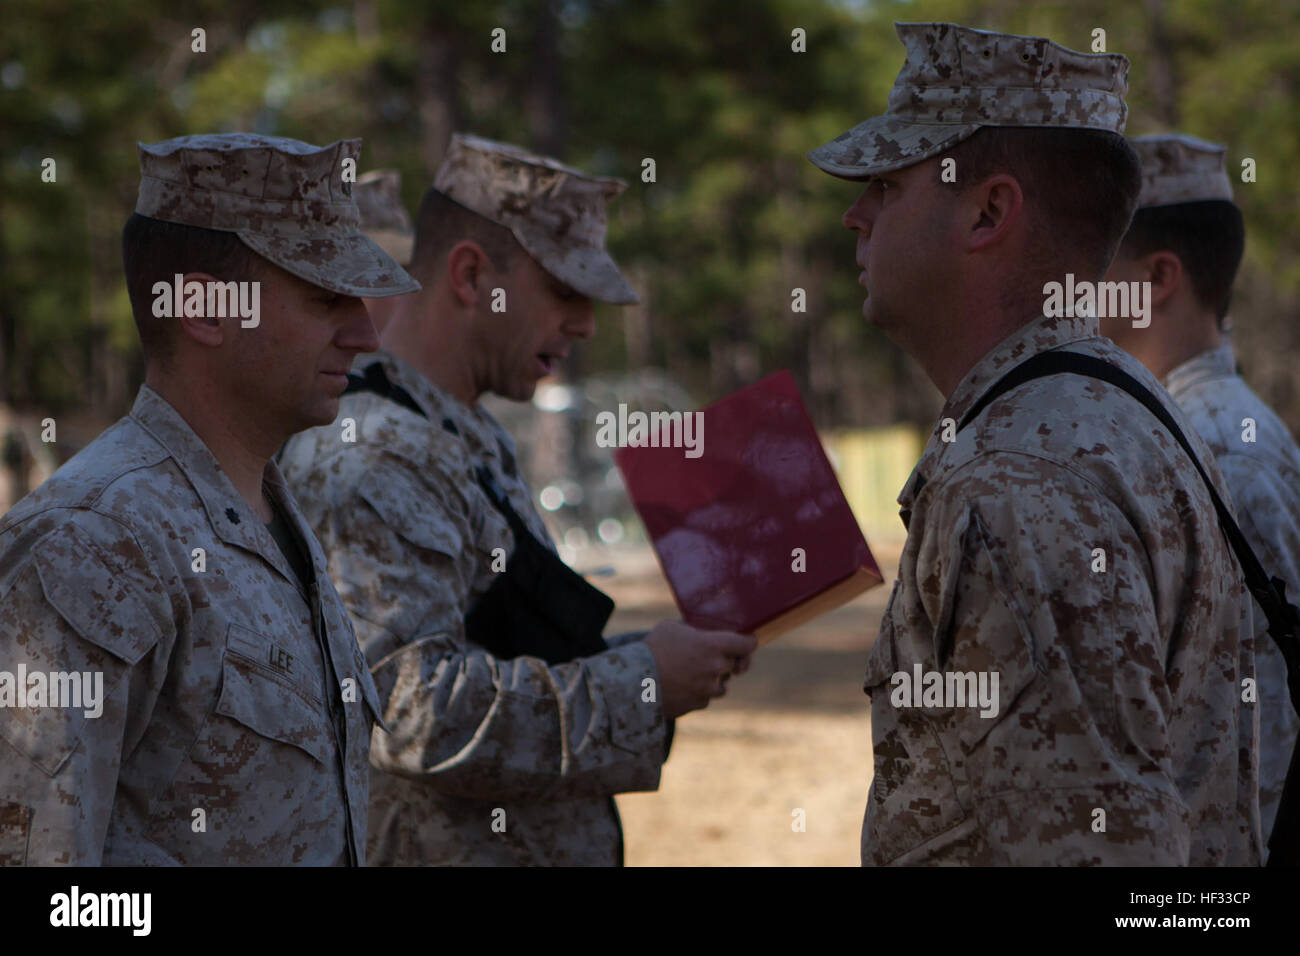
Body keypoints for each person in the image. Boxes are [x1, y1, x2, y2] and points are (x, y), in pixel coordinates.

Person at [808, 22, 1260, 865]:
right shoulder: (1121, 412)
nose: (854, 214)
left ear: (988, 212)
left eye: (888, 185)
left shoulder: (1020, 476)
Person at [279, 133, 756, 866]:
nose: (587, 325)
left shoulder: (458, 431)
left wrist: (655, 657)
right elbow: (406, 713)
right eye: (565, 292)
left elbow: (491, 651)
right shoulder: (371, 452)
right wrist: (644, 682)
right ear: (470, 276)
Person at [0, 133, 418, 865]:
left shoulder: (268, 517)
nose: (364, 333)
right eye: (326, 297)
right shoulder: (92, 542)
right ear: (203, 307)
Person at [1101, 133, 1300, 855]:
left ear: (1157, 278)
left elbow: (1259, 737)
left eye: (1093, 263)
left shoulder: (1218, 448)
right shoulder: (1188, 429)